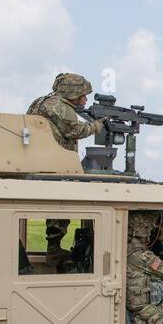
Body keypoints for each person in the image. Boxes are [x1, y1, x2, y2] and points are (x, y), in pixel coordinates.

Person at [27, 72, 103, 254]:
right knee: (61, 210)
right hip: (54, 166)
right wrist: (96, 126)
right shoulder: (60, 106)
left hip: (41, 161)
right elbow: (73, 130)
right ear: (72, 93)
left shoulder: (42, 101)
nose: (85, 100)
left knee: (59, 211)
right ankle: (54, 251)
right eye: (82, 95)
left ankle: (54, 251)